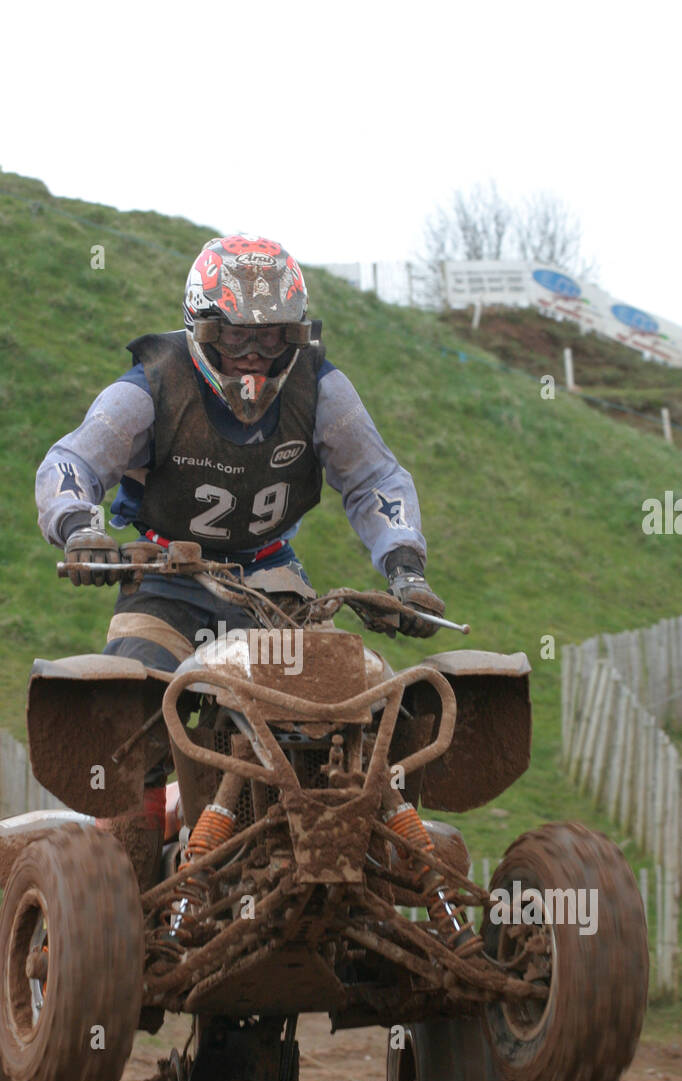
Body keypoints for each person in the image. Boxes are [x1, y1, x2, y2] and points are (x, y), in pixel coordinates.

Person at [35, 234, 445, 876]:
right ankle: (124, 875)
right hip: (164, 577)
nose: (254, 354)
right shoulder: (151, 385)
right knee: (125, 710)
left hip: (272, 579)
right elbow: (72, 460)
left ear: (298, 336)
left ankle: (352, 855)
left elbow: (375, 479)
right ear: (200, 326)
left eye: (274, 337)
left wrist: (405, 568)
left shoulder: (320, 391)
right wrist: (80, 529)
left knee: (342, 709)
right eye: (235, 337)